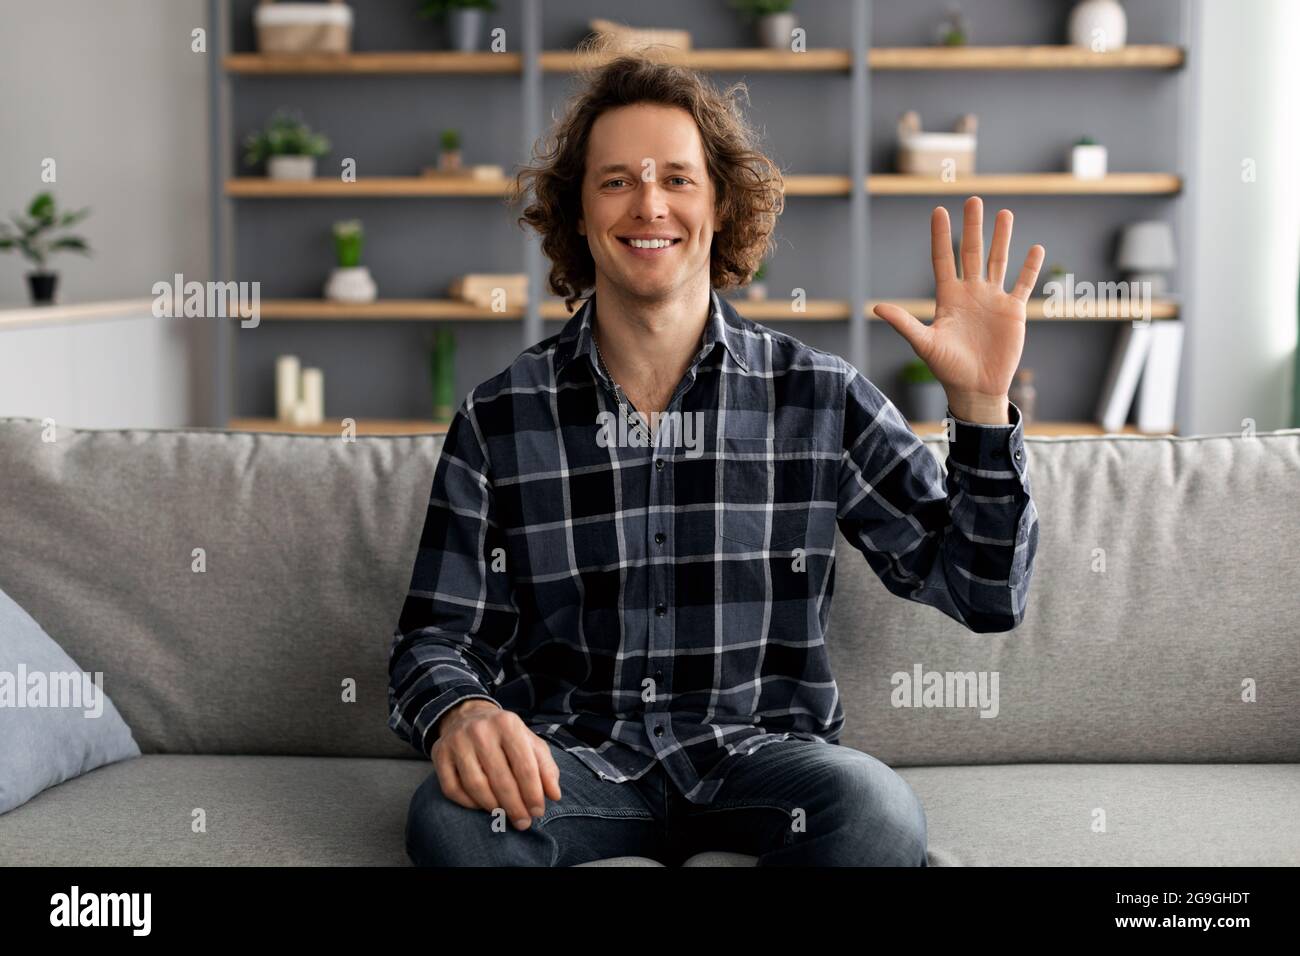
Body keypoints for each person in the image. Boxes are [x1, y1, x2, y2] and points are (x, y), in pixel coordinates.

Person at [388, 54, 1042, 866]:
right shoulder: (500, 417)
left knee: (878, 812)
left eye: (677, 179)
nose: (650, 204)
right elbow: (435, 637)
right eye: (617, 181)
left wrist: (981, 407)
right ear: (578, 212)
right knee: (448, 822)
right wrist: (463, 714)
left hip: (765, 763)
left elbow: (985, 592)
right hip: (572, 766)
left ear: (721, 204)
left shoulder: (819, 397)